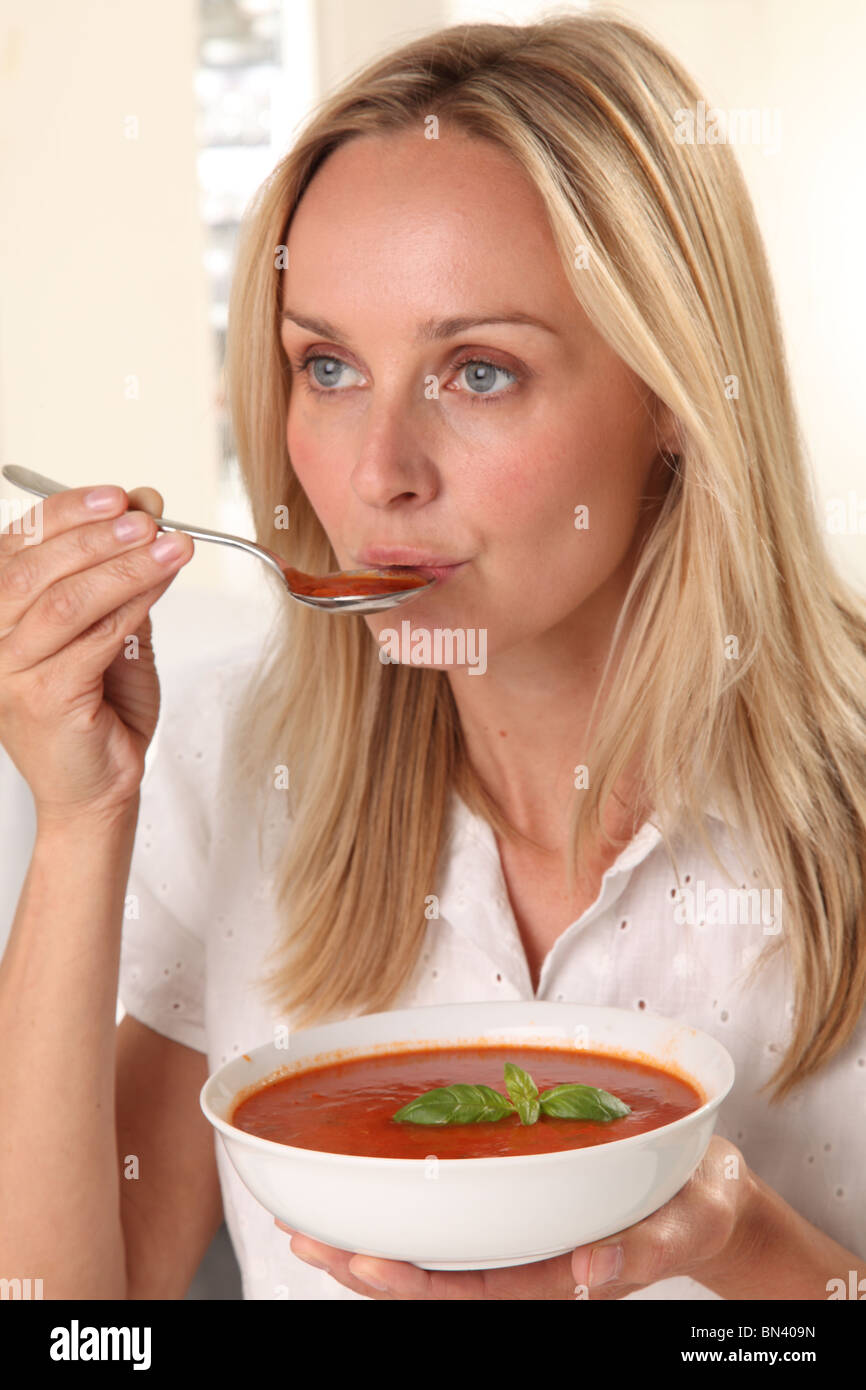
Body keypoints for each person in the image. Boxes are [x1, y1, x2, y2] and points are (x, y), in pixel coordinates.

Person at [1, 13, 864, 1302]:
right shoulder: (228, 768)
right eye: (330, 366)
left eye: (478, 371)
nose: (375, 474)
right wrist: (78, 821)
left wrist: (757, 1260)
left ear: (675, 395)